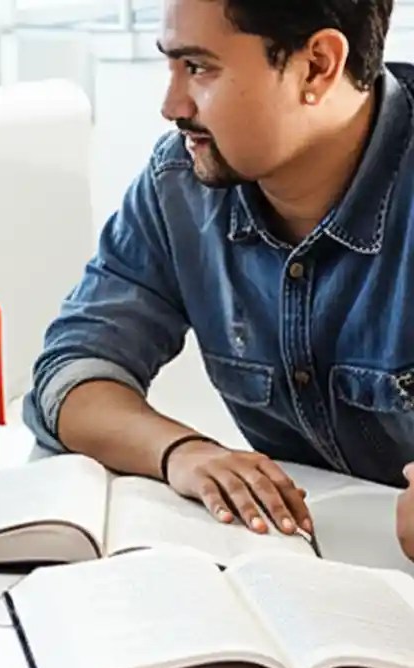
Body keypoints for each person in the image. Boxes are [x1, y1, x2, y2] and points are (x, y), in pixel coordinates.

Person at [23, 0, 414, 560]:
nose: (170, 105)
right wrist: (182, 452)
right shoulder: (179, 184)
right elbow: (72, 374)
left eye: (199, 68)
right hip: (299, 577)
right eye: (171, 66)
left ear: (317, 66)